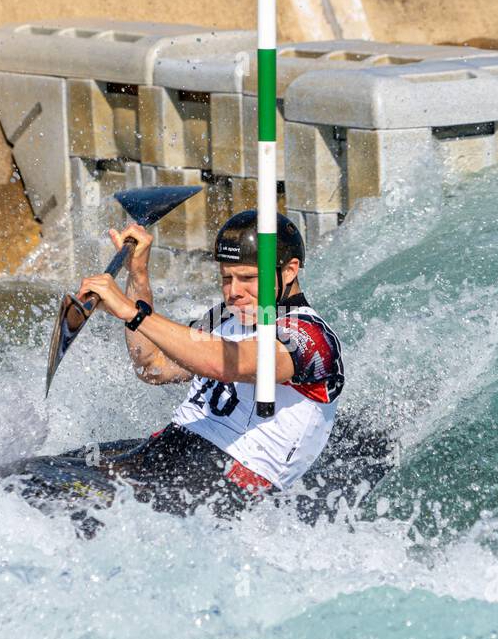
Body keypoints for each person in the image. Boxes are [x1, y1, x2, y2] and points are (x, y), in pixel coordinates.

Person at [68, 209, 345, 515]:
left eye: (248, 278)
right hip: (173, 448)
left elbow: (226, 363)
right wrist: (138, 275)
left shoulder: (309, 335)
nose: (234, 292)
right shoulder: (222, 316)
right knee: (40, 474)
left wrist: (131, 313)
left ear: (290, 270)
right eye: (226, 278)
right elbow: (152, 365)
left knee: (80, 506)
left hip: (235, 479)